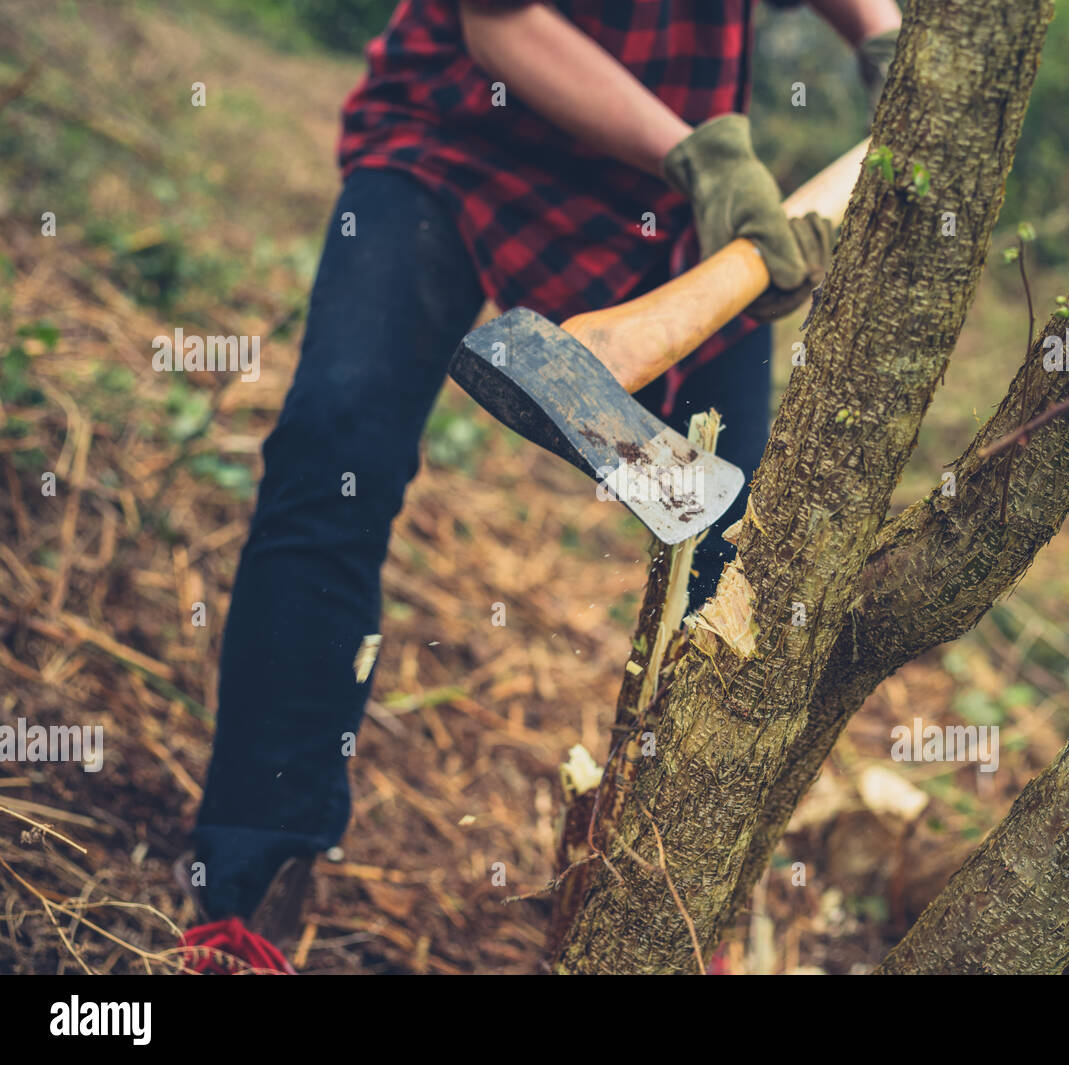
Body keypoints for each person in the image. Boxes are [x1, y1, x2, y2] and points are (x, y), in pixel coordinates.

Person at [178, 0, 901, 974]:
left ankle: (670, 925)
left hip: (679, 190)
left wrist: (884, 38)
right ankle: (246, 881)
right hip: (461, 132)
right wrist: (702, 159)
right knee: (334, 446)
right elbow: (500, 22)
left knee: (732, 554)